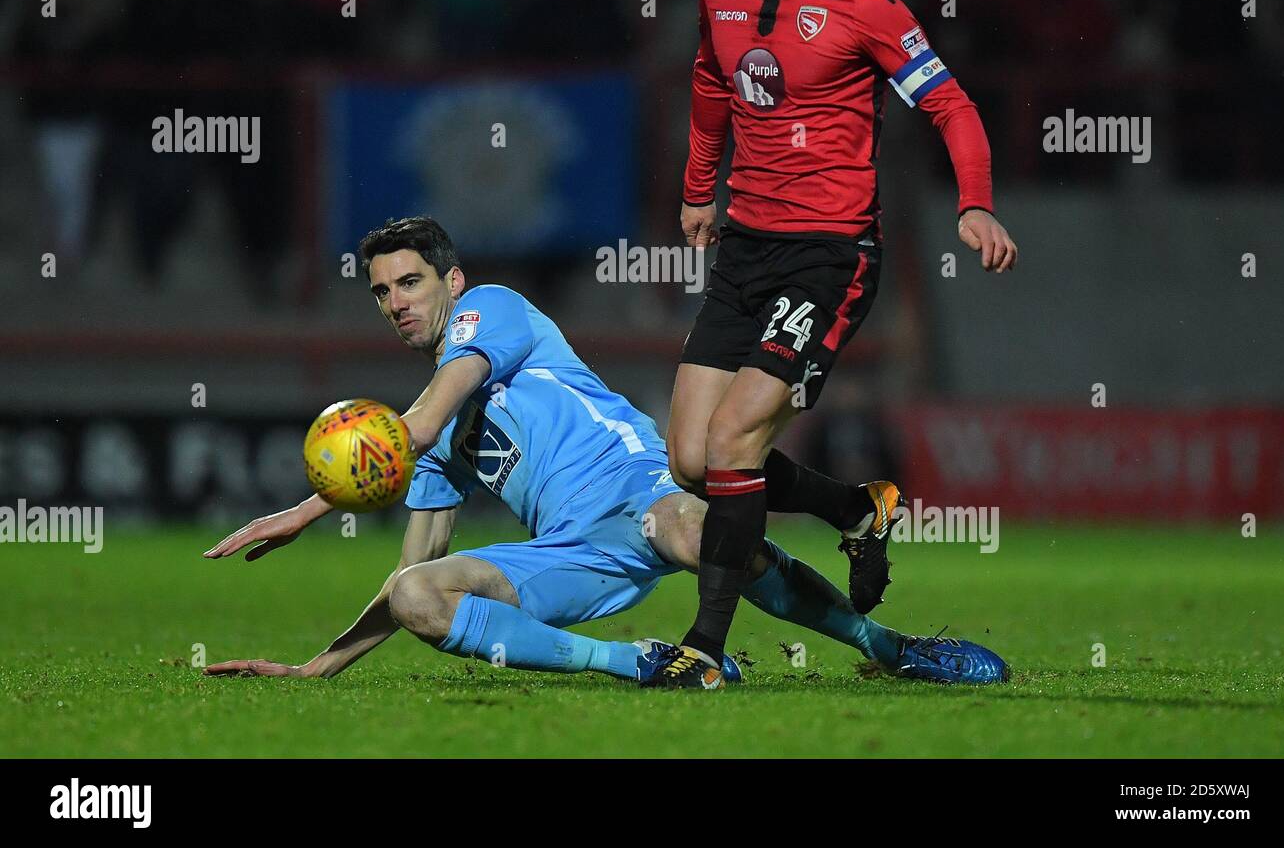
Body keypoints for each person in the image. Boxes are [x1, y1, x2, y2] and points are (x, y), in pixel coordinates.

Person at [203, 217, 1008, 688]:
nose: (396, 302)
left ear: (451, 279)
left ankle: (894, 649)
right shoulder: (438, 428)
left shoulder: (490, 313)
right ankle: (640, 662)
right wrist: (318, 668)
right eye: (381, 291)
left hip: (640, 491)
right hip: (570, 554)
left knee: (697, 529)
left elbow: (411, 429)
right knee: (420, 595)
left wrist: (308, 507)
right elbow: (410, 574)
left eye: (409, 282)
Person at [655, 0, 1019, 687]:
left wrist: (975, 204)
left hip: (830, 254)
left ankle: (704, 650)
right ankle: (855, 508)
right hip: (745, 246)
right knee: (691, 460)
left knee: (737, 438)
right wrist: (700, 184)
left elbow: (953, 106)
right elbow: (712, 84)